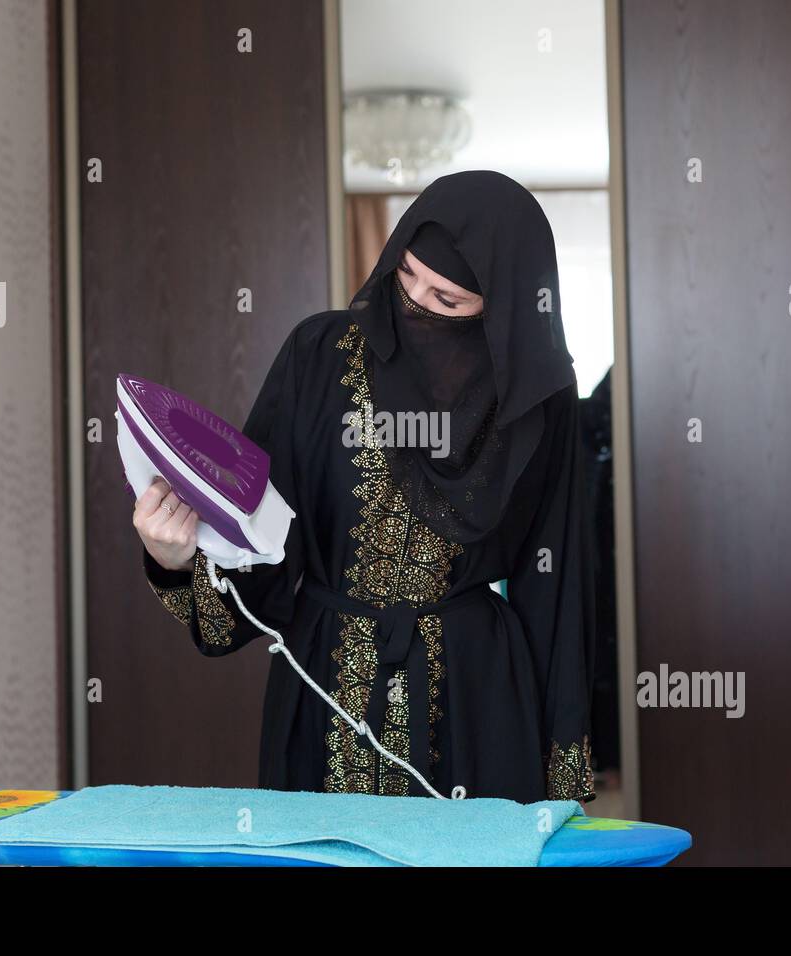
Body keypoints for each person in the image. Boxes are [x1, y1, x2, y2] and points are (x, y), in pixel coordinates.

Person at [133, 169, 595, 803]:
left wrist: (558, 767)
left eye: (448, 303)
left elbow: (556, 579)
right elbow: (256, 538)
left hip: (476, 692)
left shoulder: (537, 396)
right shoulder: (320, 355)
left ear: (502, 310)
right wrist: (174, 559)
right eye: (405, 279)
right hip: (326, 680)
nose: (413, 309)